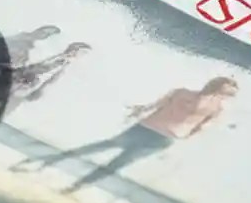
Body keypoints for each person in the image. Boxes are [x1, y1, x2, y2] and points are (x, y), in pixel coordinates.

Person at [12, 76, 239, 193]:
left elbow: (200, 128)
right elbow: (157, 105)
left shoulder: (214, 107)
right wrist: (139, 111)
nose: (225, 97)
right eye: (226, 93)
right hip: (148, 129)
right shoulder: (186, 94)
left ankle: (72, 185)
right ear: (218, 88)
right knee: (100, 149)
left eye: (228, 95)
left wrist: (181, 139)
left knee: (116, 162)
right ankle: (43, 164)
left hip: (162, 138)